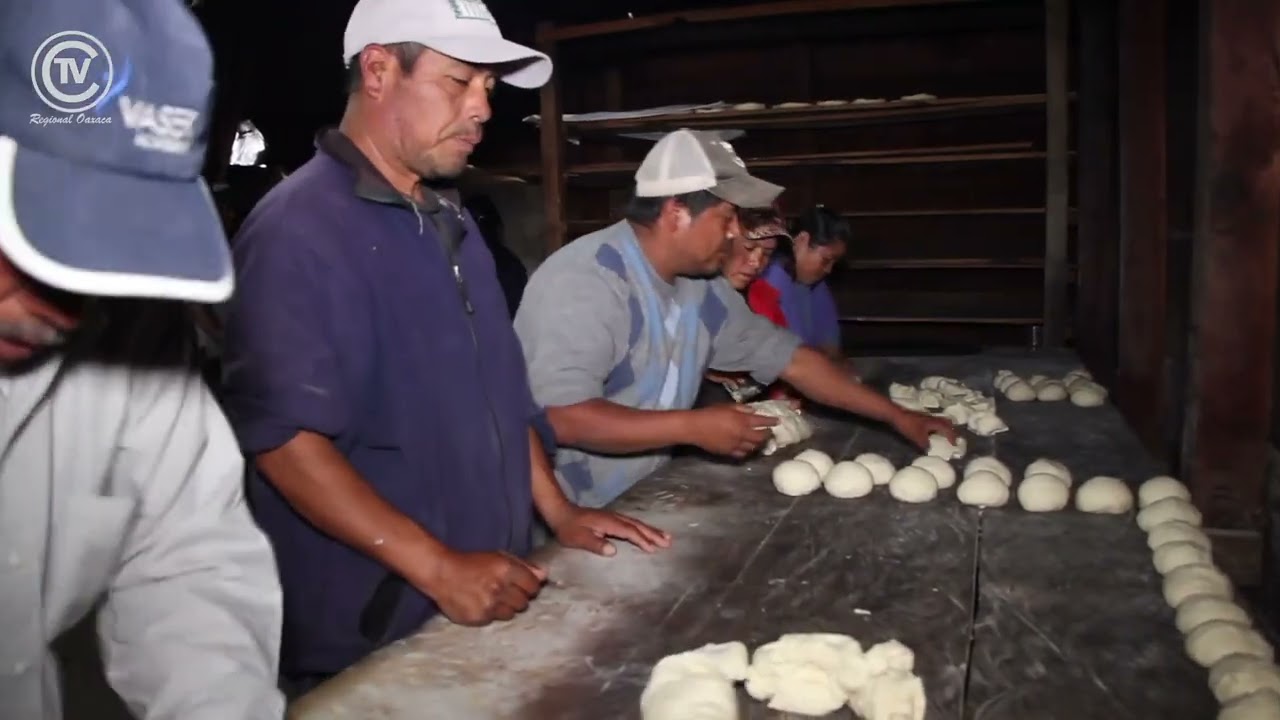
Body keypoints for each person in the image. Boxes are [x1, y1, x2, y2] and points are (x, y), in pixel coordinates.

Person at [219, 0, 669, 692]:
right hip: (372, 626)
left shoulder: (448, 220)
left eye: (488, 87)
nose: (483, 108)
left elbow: (501, 393)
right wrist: (435, 566)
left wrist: (558, 513)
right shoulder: (298, 233)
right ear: (377, 71)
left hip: (486, 589)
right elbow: (286, 443)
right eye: (459, 82)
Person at [0, 0, 285, 717]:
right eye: (32, 238)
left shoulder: (130, 334)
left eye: (102, 253)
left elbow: (188, 559)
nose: (65, 310)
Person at [514, 129, 956, 509]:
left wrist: (897, 417)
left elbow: (793, 360)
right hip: (568, 510)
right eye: (727, 218)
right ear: (676, 213)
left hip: (642, 497)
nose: (733, 235)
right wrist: (693, 428)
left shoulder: (701, 289)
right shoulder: (587, 281)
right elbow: (560, 416)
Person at [701, 205, 788, 403]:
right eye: (749, 248)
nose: (756, 262)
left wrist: (780, 397)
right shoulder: (686, 293)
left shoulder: (764, 298)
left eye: (767, 253)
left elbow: (786, 361)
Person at [749, 205, 849, 360]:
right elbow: (790, 358)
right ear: (802, 240)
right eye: (826, 260)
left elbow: (831, 348)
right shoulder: (770, 281)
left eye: (834, 263)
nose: (829, 269)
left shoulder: (817, 285)